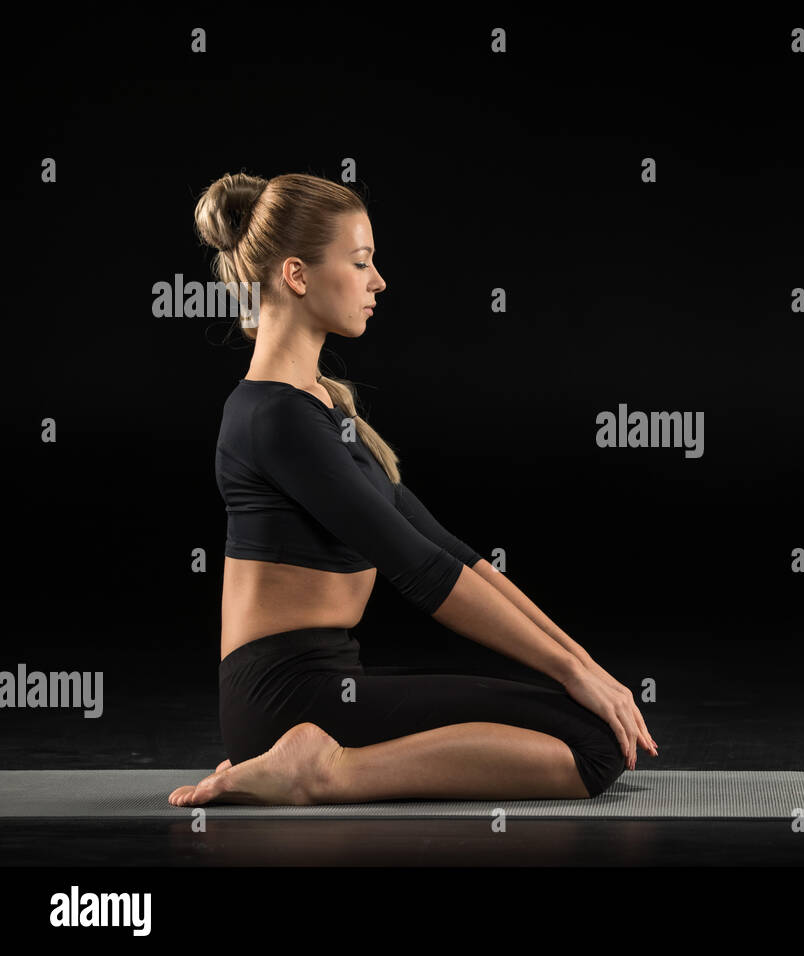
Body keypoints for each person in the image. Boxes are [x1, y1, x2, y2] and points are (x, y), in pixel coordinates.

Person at [169, 172, 656, 807]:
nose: (379, 282)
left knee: (591, 724)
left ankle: (310, 758)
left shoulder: (318, 407)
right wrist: (570, 671)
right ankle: (316, 773)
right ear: (296, 275)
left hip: (314, 687)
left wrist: (584, 666)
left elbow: (449, 550)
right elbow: (419, 570)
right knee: (593, 749)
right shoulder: (274, 418)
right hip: (286, 696)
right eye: (360, 262)